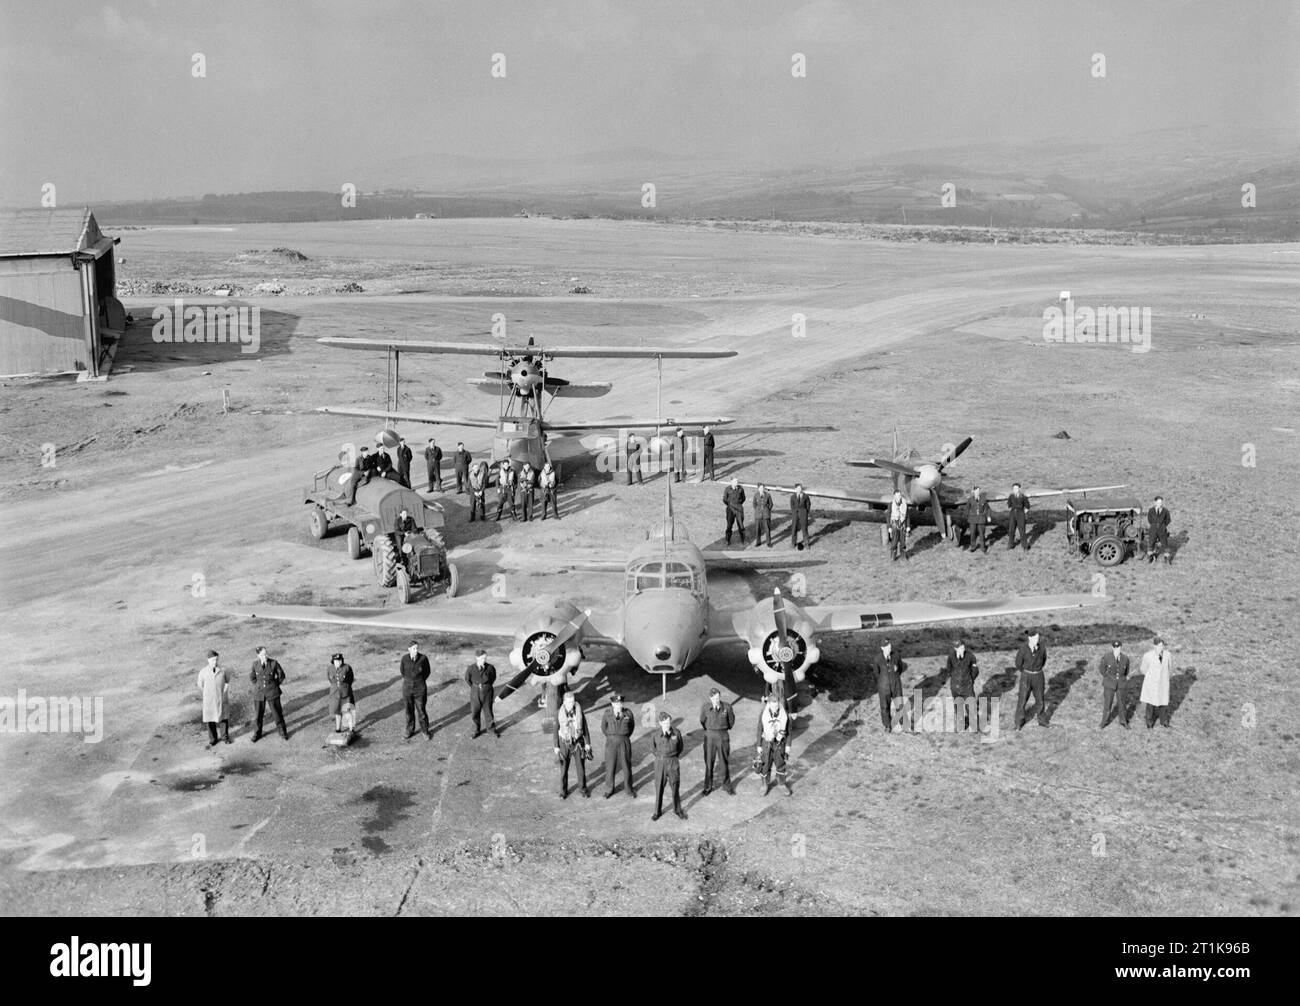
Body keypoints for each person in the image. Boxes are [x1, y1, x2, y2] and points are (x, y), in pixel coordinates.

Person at [554, 692, 591, 799]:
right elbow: (555, 731)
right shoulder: (558, 713)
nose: (571, 704)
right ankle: (563, 791)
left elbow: (585, 728)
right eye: (569, 702)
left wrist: (588, 743)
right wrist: (556, 746)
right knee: (564, 768)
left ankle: (583, 789)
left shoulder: (579, 712)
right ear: (564, 702)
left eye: (573, 701)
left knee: (581, 768)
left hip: (578, 743)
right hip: (564, 743)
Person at [699, 688, 735, 795]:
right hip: (709, 736)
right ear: (710, 698)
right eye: (714, 698)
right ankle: (708, 787)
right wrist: (710, 729)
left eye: (718, 697)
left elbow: (731, 722)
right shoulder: (706, 708)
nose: (716, 700)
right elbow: (702, 721)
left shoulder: (727, 707)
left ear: (720, 697)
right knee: (709, 762)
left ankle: (727, 786)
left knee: (724, 761)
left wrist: (722, 729)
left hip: (723, 735)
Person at [651, 711, 686, 820]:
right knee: (659, 787)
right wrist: (661, 757)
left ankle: (677, 810)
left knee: (675, 785)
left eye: (669, 723)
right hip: (660, 763)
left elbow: (680, 747)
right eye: (665, 723)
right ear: (660, 723)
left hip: (673, 762)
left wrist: (673, 757)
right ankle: (657, 811)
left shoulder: (676, 733)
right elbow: (653, 749)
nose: (667, 725)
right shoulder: (655, 735)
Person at [249, 646, 289, 742]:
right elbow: (252, 677)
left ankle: (282, 732)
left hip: (272, 691)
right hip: (259, 692)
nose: (265, 656)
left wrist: (274, 685)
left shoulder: (274, 663)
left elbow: (281, 675)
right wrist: (258, 685)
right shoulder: (255, 664)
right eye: (263, 654)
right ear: (258, 655)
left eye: (266, 653)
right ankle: (257, 733)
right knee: (258, 714)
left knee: (277, 713)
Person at [755, 692, 792, 796]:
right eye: (773, 706)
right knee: (765, 765)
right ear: (769, 704)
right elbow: (759, 729)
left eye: (777, 706)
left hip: (780, 743)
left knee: (780, 764)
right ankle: (764, 785)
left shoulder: (785, 715)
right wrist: (758, 745)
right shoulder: (764, 714)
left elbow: (789, 731)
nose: (775, 708)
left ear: (779, 703)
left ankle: (782, 784)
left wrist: (788, 746)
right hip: (766, 743)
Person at [601, 694, 636, 798]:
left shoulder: (628, 713)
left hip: (624, 741)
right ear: (612, 704)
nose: (618, 705)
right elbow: (603, 727)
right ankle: (609, 789)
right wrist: (611, 736)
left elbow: (631, 727)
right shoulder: (607, 714)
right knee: (610, 766)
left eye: (620, 703)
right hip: (611, 742)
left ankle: (629, 789)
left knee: (626, 766)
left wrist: (624, 736)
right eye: (616, 703)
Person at [1014, 628, 1049, 730]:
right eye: (1035, 638)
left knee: (1040, 700)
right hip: (1026, 677)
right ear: (1030, 638)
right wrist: (1026, 672)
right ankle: (1018, 723)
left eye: (1038, 638)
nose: (1037, 640)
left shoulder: (1042, 648)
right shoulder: (1023, 649)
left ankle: (1042, 720)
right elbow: (1018, 664)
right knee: (1022, 700)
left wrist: (1036, 670)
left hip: (1038, 676)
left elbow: (1044, 660)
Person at [197, 650, 231, 747]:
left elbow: (227, 682)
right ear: (208, 660)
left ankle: (225, 737)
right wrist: (208, 694)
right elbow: (200, 685)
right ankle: (213, 739)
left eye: (216, 660)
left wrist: (224, 691)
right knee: (210, 719)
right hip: (209, 700)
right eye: (212, 660)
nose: (215, 662)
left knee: (223, 718)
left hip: (221, 698)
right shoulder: (203, 672)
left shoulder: (223, 670)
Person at [399, 640, 431, 740]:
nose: (416, 651)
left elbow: (427, 672)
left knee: (421, 711)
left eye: (417, 648)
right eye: (413, 649)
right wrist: (410, 681)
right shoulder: (404, 658)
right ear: (409, 649)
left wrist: (419, 681)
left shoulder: (423, 658)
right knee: (409, 711)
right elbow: (402, 671)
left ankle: (425, 731)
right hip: (407, 689)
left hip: (420, 689)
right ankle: (409, 730)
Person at [1139, 637, 1173, 728]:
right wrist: (1151, 677)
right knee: (1150, 703)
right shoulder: (1148, 656)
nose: (1160, 648)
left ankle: (1164, 720)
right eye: (1158, 646)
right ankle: (1149, 722)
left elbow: (1169, 668)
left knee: (1163, 702)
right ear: (1154, 646)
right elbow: (1143, 669)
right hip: (1151, 683)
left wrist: (1164, 677)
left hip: (1163, 683)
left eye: (1162, 646)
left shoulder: (1168, 655)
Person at [946, 637, 979, 730]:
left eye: (963, 646)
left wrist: (970, 680)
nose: (963, 648)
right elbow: (949, 670)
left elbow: (975, 671)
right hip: (955, 687)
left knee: (971, 706)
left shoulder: (970, 656)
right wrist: (955, 681)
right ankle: (961, 725)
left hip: (967, 687)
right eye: (961, 647)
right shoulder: (951, 657)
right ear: (955, 648)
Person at [465, 649, 498, 739]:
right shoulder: (471, 668)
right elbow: (467, 679)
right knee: (475, 712)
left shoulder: (490, 668)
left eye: (485, 658)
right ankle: (476, 730)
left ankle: (491, 730)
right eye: (482, 658)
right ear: (477, 658)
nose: (484, 660)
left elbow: (493, 678)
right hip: (475, 692)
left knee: (488, 711)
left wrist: (485, 686)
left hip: (487, 692)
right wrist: (475, 687)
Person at [1098, 639, 1131, 729]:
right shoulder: (1107, 657)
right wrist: (1108, 678)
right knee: (1107, 704)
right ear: (1112, 648)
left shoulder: (1125, 658)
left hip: (1121, 684)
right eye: (1115, 647)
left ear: (1121, 647)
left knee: (1122, 704)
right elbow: (1102, 669)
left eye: (1119, 647)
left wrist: (1121, 679)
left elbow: (1126, 671)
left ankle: (1123, 721)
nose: (1117, 649)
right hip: (1109, 684)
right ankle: (1104, 722)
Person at [873, 637, 904, 731]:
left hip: (896, 684)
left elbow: (901, 668)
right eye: (887, 647)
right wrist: (881, 683)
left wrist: (896, 670)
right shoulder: (877, 659)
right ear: (882, 648)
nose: (890, 648)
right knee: (884, 706)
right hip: (883, 686)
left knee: (900, 703)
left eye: (890, 646)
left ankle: (903, 723)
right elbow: (876, 674)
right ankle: (887, 725)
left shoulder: (896, 655)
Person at [327, 652, 355, 734]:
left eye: (340, 661)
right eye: (336, 661)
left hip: (345, 694)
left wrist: (345, 688)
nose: (338, 662)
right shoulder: (330, 669)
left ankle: (351, 729)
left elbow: (350, 679)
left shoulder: (347, 668)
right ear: (333, 661)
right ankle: (338, 729)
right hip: (335, 694)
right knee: (337, 711)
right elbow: (330, 680)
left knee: (347, 711)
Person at [965, 487, 990, 553]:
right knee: (972, 533)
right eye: (976, 491)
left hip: (981, 519)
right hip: (972, 519)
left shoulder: (983, 499)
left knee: (982, 533)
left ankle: (983, 547)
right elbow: (967, 509)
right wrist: (967, 517)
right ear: (973, 492)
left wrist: (988, 516)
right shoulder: (970, 500)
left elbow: (987, 509)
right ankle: (973, 546)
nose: (977, 492)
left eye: (978, 491)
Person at [1147, 496, 1172, 563]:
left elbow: (1168, 520)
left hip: (1162, 530)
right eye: (1158, 502)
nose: (1160, 504)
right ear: (1155, 502)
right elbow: (1149, 520)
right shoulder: (1151, 510)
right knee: (1151, 543)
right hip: (1153, 529)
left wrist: (1163, 525)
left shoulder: (1165, 511)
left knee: (1165, 544)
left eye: (1161, 502)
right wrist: (1154, 525)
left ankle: (1166, 558)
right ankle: (1151, 557)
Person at [887, 490, 910, 561]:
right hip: (894, 524)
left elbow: (907, 516)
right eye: (897, 496)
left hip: (902, 525)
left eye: (899, 496)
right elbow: (888, 516)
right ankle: (893, 557)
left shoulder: (905, 504)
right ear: (894, 496)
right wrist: (889, 527)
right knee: (894, 542)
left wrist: (908, 526)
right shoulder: (891, 504)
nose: (898, 497)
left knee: (903, 542)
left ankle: (903, 557)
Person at [1006, 482, 1030, 551]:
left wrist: (1023, 512)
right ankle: (1010, 544)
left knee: (1022, 530)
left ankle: (1025, 546)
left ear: (1019, 489)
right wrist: (1013, 511)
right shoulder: (1011, 496)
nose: (1015, 490)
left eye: (1016, 488)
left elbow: (1027, 506)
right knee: (1011, 530)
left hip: (1020, 514)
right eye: (1014, 488)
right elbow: (1009, 505)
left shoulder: (1023, 497)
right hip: (1013, 514)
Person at [723, 477, 746, 546]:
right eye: (735, 481)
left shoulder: (741, 489)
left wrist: (738, 504)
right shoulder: (727, 489)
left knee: (741, 525)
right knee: (729, 525)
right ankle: (727, 540)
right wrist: (730, 505)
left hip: (739, 509)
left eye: (737, 481)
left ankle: (743, 539)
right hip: (730, 509)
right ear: (731, 482)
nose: (737, 483)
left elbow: (743, 498)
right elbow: (724, 499)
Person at [790, 483, 812, 550]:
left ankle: (806, 543)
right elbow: (792, 506)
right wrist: (794, 513)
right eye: (798, 488)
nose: (799, 490)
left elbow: (808, 505)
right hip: (795, 515)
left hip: (803, 514)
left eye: (800, 488)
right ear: (795, 489)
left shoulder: (806, 496)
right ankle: (793, 543)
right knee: (794, 529)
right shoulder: (793, 497)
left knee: (804, 529)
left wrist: (805, 513)